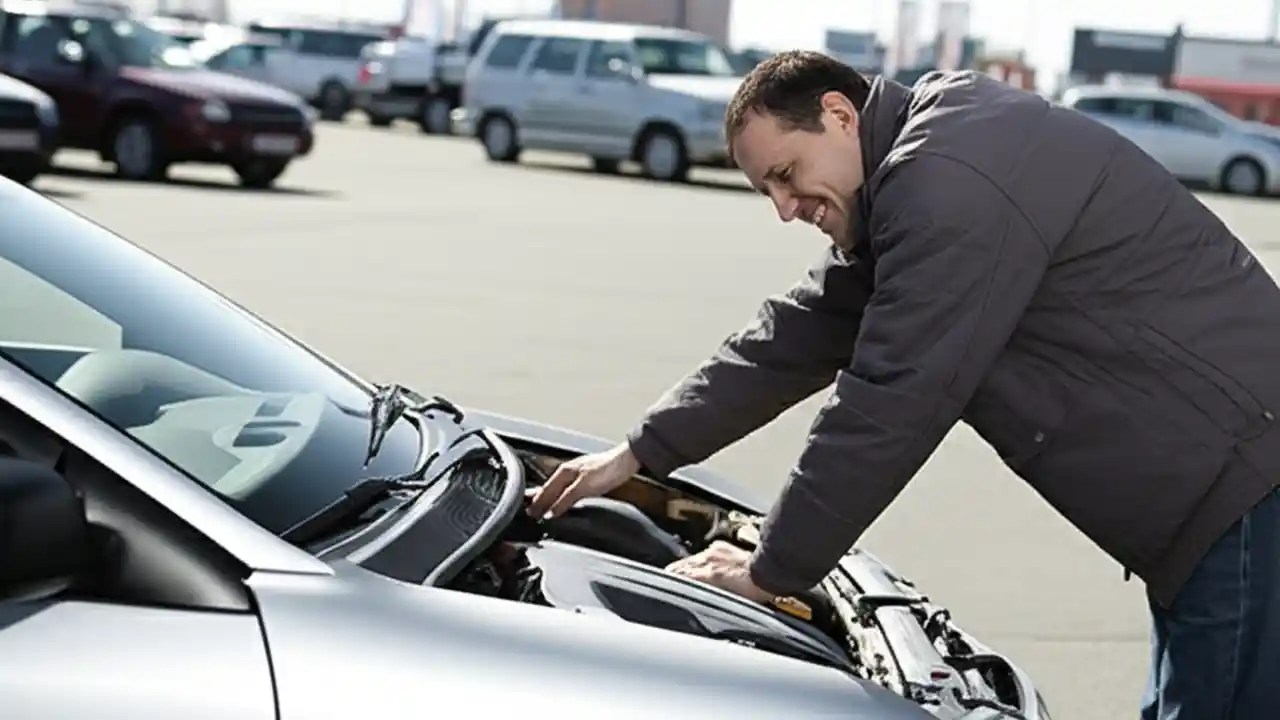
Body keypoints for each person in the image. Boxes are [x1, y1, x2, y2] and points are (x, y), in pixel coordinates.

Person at [527, 50, 1280, 719]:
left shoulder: (950, 180)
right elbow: (791, 335)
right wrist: (637, 453)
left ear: (838, 114)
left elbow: (890, 397)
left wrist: (772, 572)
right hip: (1207, 502)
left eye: (786, 176)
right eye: (768, 193)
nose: (787, 210)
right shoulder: (908, 179)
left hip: (1243, 485)